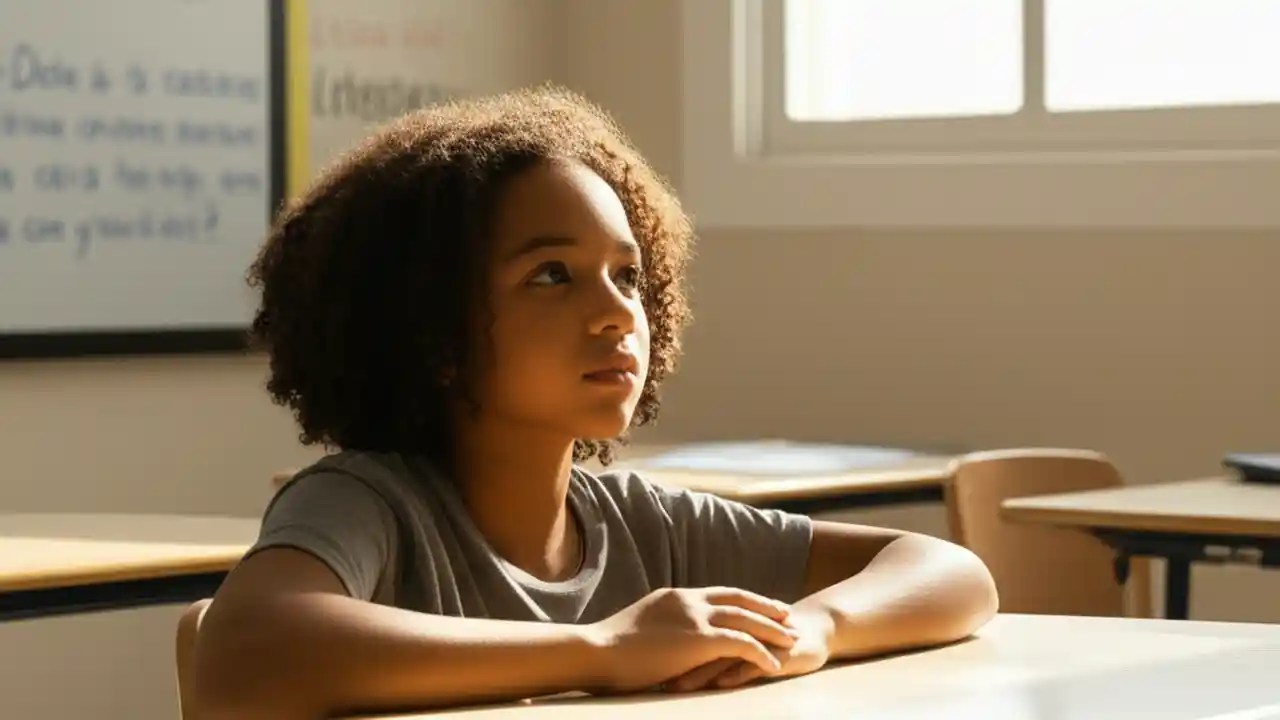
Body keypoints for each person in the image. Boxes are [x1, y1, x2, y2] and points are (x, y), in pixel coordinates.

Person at [193, 86, 998, 719]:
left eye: (629, 276)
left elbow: (948, 569)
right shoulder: (369, 503)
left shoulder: (639, 523)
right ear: (431, 327)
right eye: (552, 275)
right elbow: (244, 648)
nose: (617, 313)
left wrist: (815, 629)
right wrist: (600, 648)